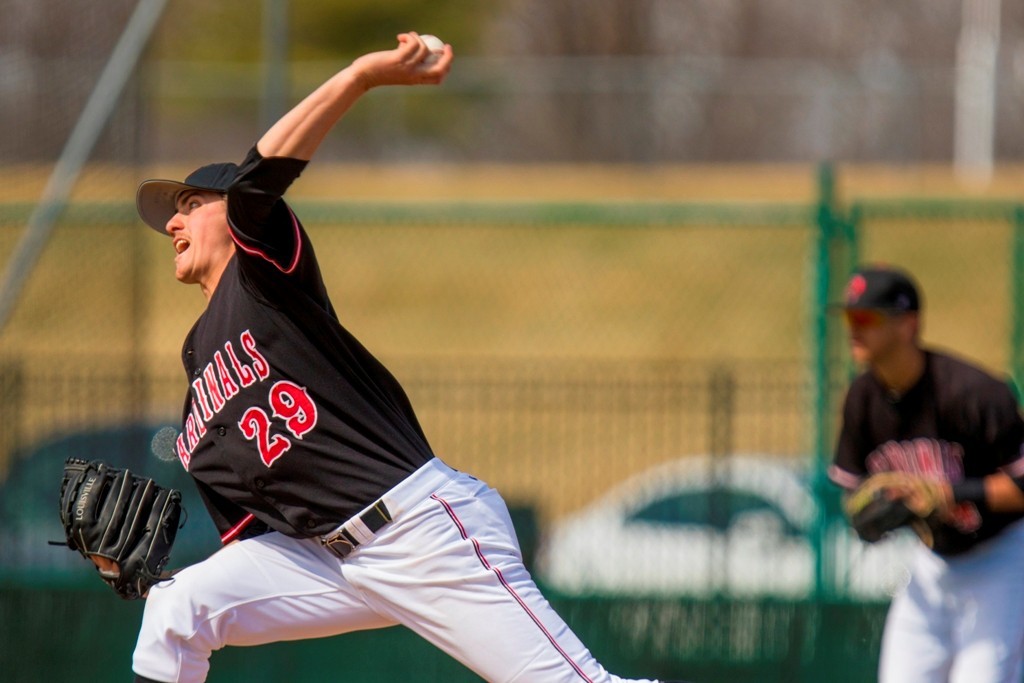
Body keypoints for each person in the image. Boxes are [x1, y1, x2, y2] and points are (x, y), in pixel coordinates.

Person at [129, 33, 679, 683]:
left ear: (231, 215)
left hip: (418, 529)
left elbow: (258, 183)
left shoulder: (264, 275)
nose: (173, 221)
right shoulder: (198, 372)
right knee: (175, 610)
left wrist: (361, 76)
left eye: (191, 205)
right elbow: (254, 535)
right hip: (325, 561)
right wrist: (134, 572)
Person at [828, 264, 1024, 683]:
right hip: (932, 566)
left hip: (1000, 558)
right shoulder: (862, 400)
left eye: (866, 318)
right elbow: (853, 494)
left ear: (907, 324)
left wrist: (953, 492)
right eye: (849, 318)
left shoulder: (973, 394)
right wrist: (871, 517)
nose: (853, 330)